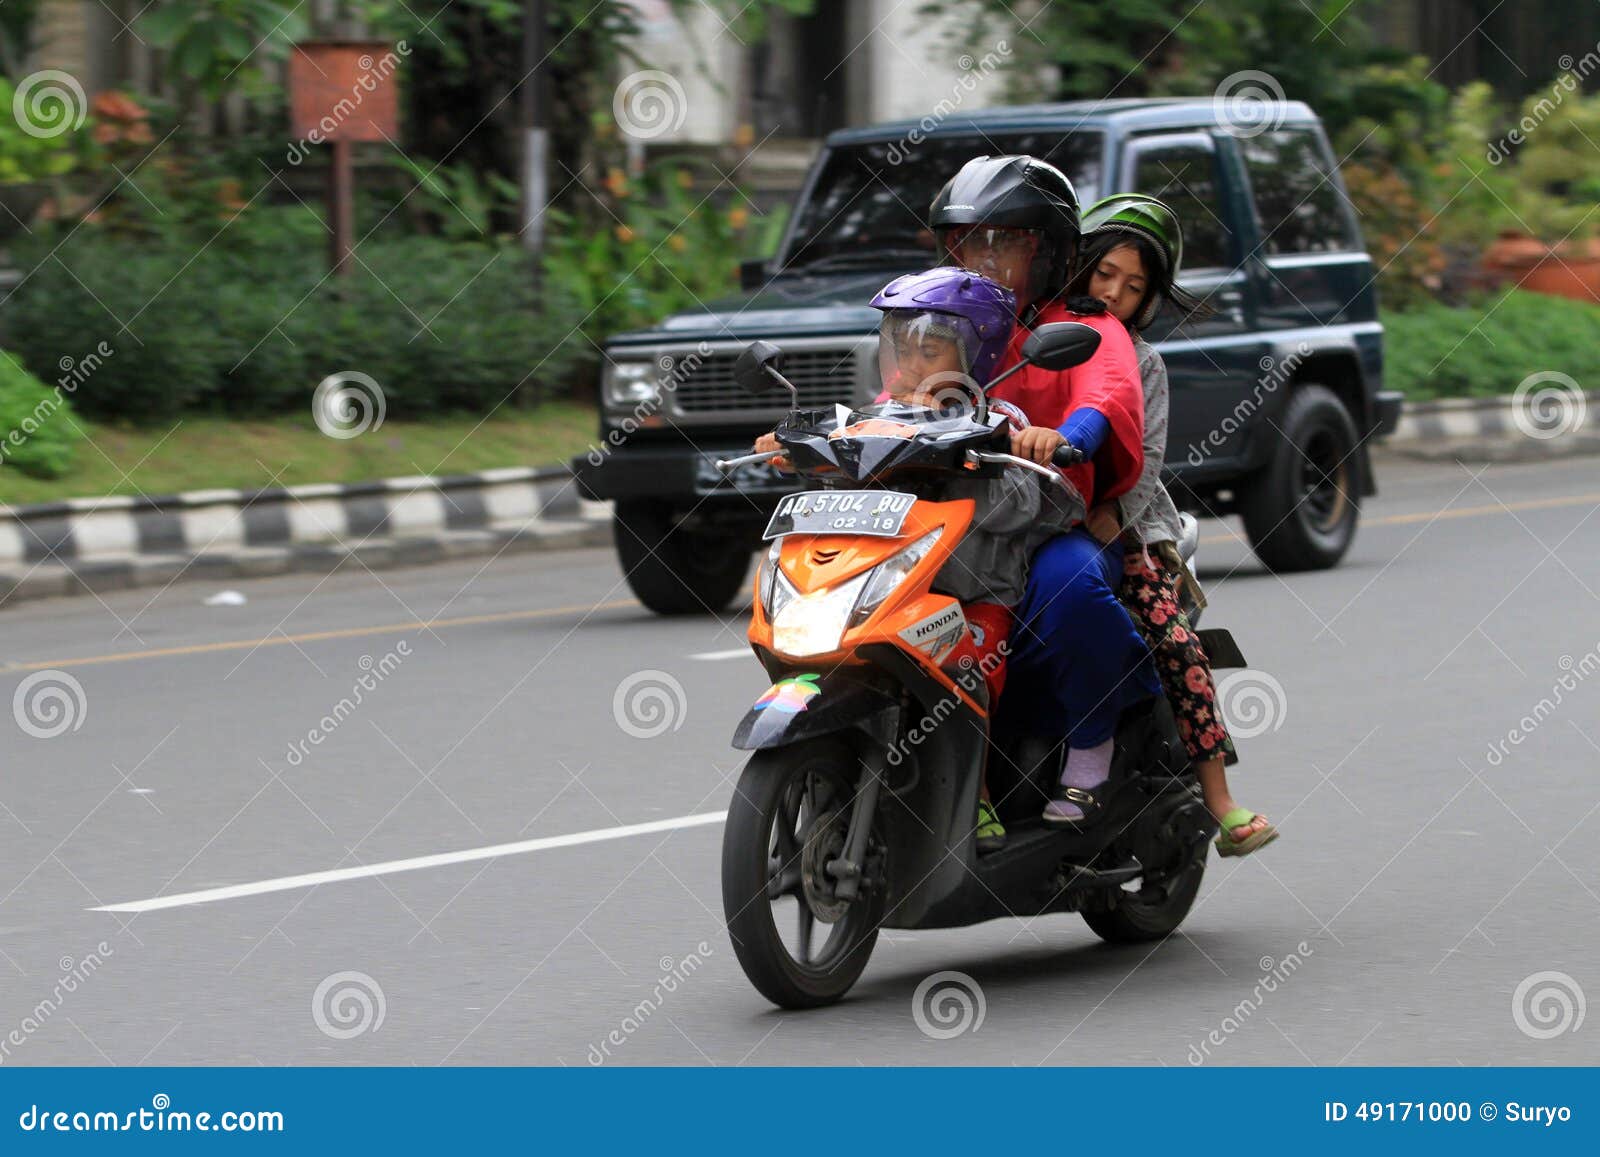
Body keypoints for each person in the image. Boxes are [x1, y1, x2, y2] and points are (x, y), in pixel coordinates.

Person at [753, 267, 1040, 852]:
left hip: (969, 596)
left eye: (927, 351)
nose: (908, 367)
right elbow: (838, 479)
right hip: (882, 596)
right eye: (899, 349)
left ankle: (977, 795)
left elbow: (1024, 507)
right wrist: (790, 451)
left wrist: (989, 455)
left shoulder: (1000, 423)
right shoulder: (869, 421)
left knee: (975, 668)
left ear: (974, 354)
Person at [929, 154, 1160, 829]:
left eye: (1004, 243)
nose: (984, 258)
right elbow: (903, 388)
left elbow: (1108, 391)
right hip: (961, 518)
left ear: (1051, 251)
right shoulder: (953, 320)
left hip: (1055, 522)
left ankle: (1091, 748)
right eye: (973, 241)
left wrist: (1071, 434)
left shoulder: (1086, 323)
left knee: (1070, 589)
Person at [1065, 193, 1278, 857]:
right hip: (1024, 518)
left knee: (1175, 641)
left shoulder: (1142, 364)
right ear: (1079, 266)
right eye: (1104, 274)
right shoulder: (1029, 336)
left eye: (1132, 287)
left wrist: (1111, 513)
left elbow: (1145, 461)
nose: (1114, 294)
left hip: (1122, 526)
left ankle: (1219, 799)